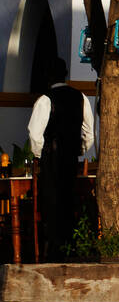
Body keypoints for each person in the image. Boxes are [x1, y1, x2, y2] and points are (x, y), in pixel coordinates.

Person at [28, 58, 95, 259]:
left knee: (51, 202)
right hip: (70, 158)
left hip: (51, 158)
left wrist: (40, 154)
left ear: (48, 78)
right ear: (65, 74)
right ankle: (70, 247)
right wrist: (79, 150)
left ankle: (54, 250)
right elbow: (89, 133)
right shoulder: (81, 97)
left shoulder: (45, 99)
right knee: (68, 200)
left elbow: (34, 134)